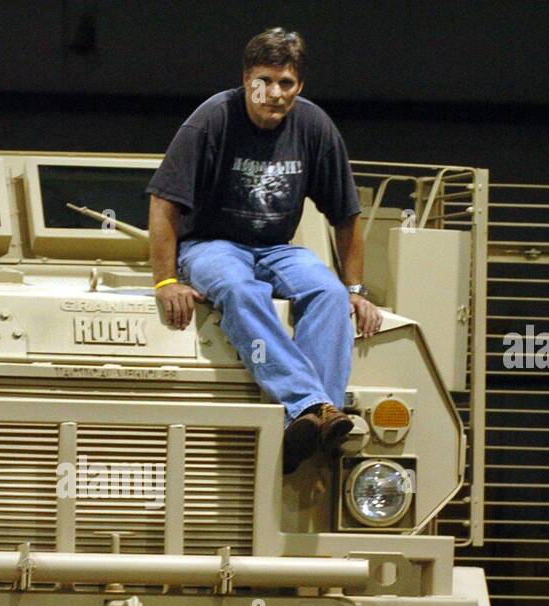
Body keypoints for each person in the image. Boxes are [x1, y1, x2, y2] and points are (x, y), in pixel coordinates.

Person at [146, 27, 382, 473]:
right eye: (263, 81)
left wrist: (355, 287)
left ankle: (311, 427)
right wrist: (166, 279)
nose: (273, 93)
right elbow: (163, 202)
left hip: (277, 247)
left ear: (299, 87)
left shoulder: (314, 126)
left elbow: (346, 215)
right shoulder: (212, 119)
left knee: (328, 294)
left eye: (285, 83)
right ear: (245, 80)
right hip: (211, 244)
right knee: (239, 288)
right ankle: (314, 406)